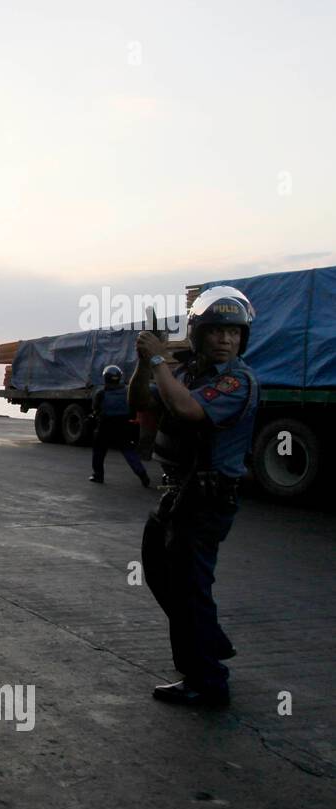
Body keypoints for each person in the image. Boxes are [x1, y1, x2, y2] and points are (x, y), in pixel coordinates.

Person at [131, 286, 259, 707]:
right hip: (175, 493)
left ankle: (207, 679)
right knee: (159, 571)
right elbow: (141, 400)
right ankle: (209, 640)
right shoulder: (187, 372)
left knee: (189, 587)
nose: (225, 339)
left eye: (234, 333)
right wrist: (143, 364)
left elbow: (187, 410)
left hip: (207, 499)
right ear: (199, 334)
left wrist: (156, 358)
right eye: (217, 331)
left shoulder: (236, 379)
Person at [89, 364, 150, 486]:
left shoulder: (100, 393)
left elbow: (95, 409)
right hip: (123, 425)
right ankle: (143, 475)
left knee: (99, 451)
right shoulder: (127, 391)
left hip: (105, 425)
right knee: (128, 451)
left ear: (106, 378)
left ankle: (98, 475)